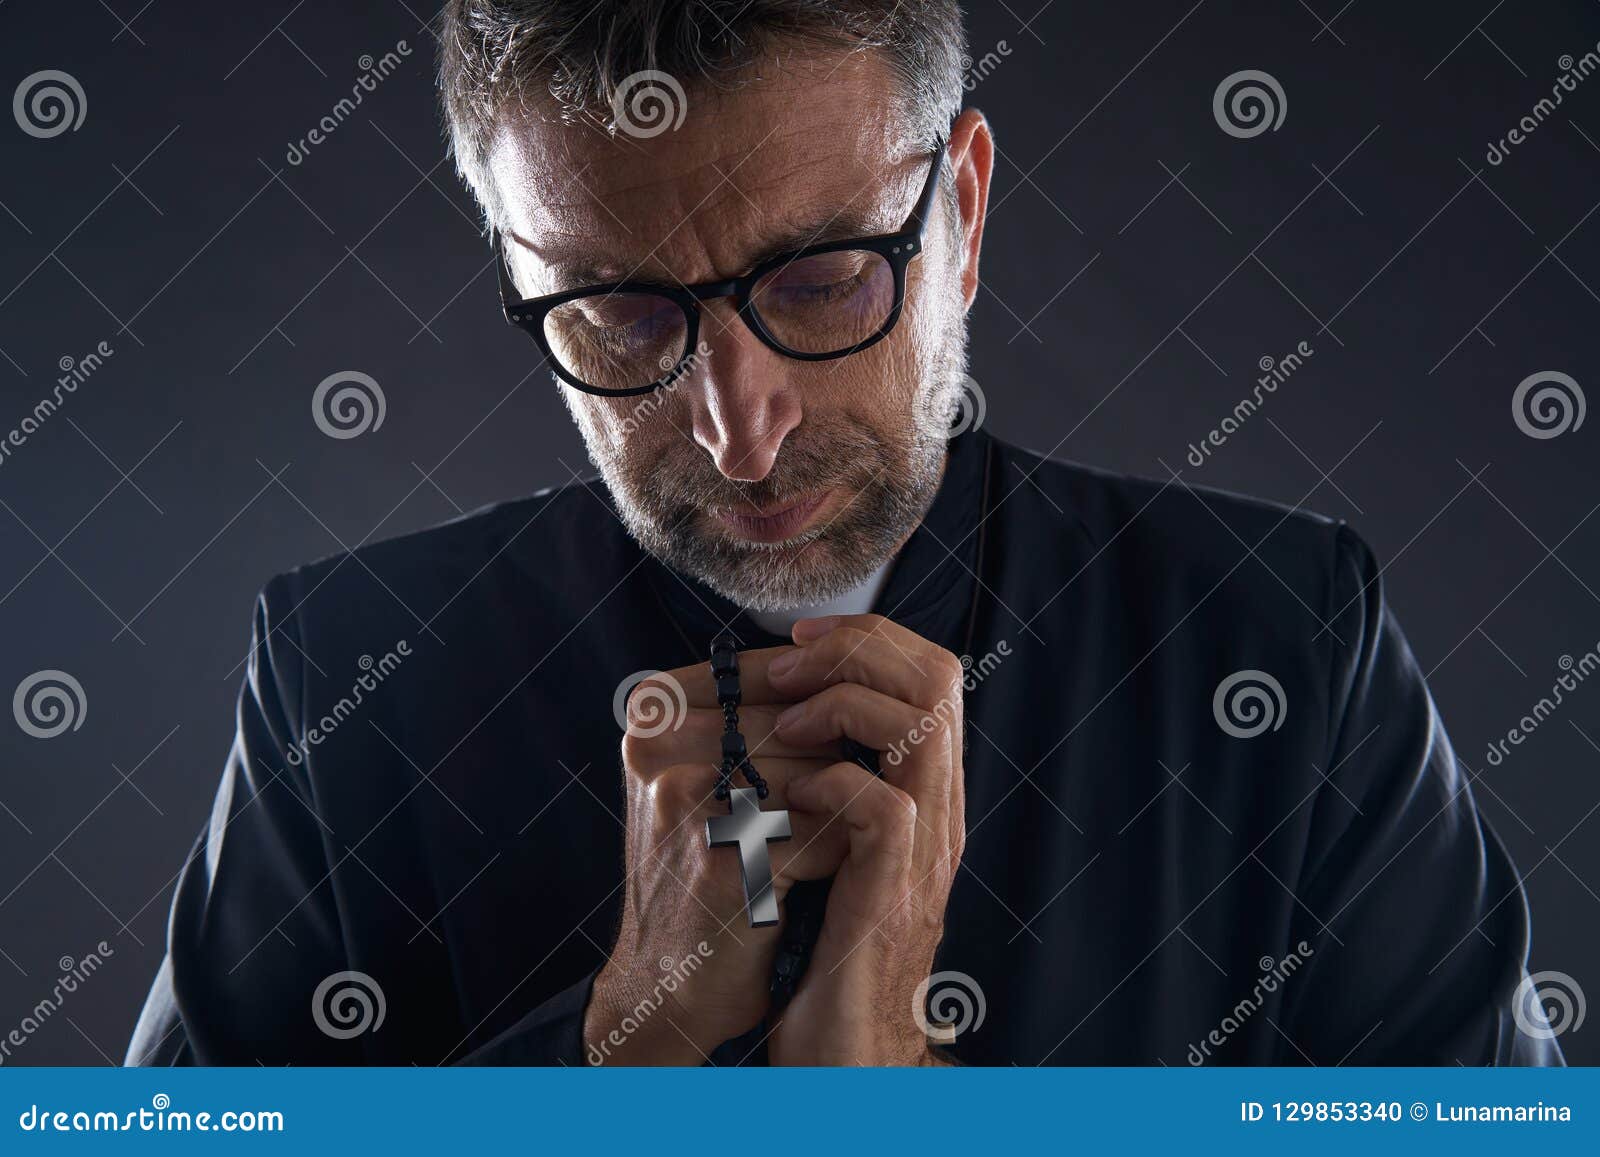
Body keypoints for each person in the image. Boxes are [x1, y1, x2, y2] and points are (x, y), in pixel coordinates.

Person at [126, 0, 1560, 1066]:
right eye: (619, 313)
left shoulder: (1282, 638)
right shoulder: (348, 675)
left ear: (967, 216)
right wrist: (610, 1053)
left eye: (818, 280)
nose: (737, 431)